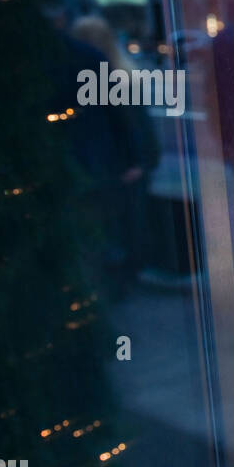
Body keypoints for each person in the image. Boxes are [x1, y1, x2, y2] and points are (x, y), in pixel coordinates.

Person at [69, 15, 161, 289]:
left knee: (112, 225)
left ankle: (119, 275)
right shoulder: (121, 71)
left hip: (112, 163)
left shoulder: (99, 74)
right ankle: (128, 272)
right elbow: (138, 125)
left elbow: (129, 123)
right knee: (128, 221)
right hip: (125, 163)